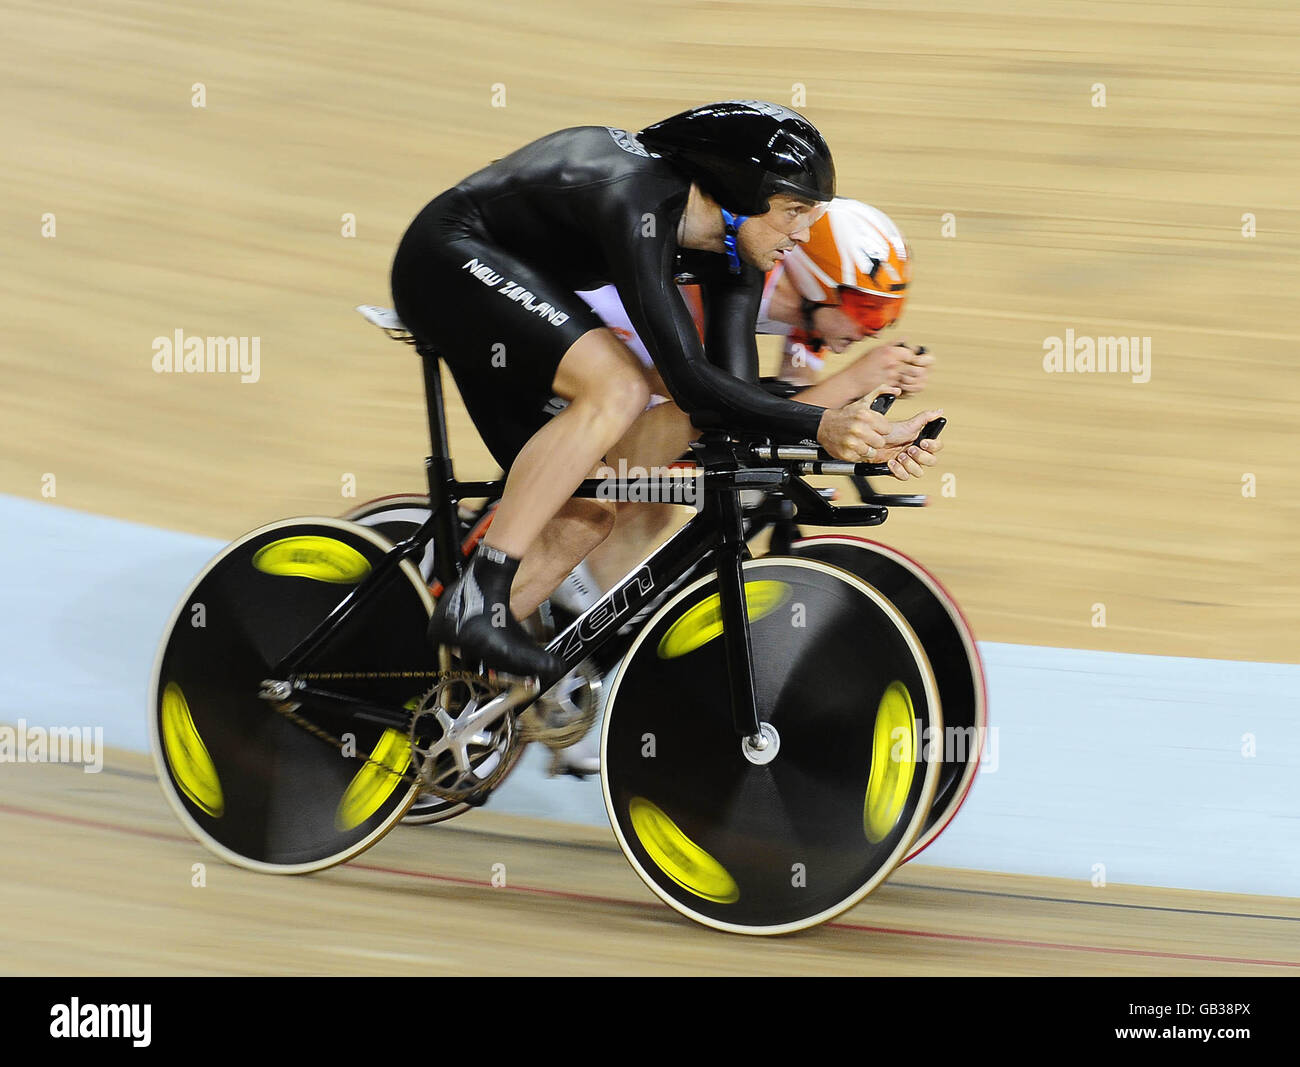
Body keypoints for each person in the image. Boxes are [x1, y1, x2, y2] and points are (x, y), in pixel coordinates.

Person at [391, 101, 944, 681]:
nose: (804, 234)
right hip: (446, 258)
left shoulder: (738, 253)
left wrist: (863, 437)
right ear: (740, 191)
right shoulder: (642, 202)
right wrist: (822, 423)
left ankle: (425, 684)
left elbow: (725, 401)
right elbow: (687, 379)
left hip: (515, 303)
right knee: (621, 386)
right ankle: (476, 599)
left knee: (588, 511)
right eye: (795, 211)